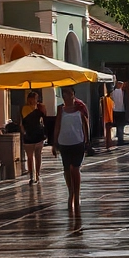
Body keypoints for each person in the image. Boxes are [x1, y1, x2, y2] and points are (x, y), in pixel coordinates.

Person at [52, 85, 91, 219]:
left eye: (68, 93)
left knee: (75, 169)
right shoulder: (60, 110)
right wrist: (54, 143)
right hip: (64, 143)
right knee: (67, 170)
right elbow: (57, 126)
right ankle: (71, 192)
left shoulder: (80, 109)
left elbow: (86, 125)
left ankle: (77, 193)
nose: (65, 96)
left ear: (73, 94)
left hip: (78, 142)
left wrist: (87, 141)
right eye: (63, 93)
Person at [20, 91, 48, 183]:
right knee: (30, 156)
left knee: (38, 155)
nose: (33, 101)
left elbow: (44, 117)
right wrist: (23, 132)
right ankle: (32, 174)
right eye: (31, 99)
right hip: (29, 134)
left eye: (35, 99)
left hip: (38, 133)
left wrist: (42, 108)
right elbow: (23, 121)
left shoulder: (39, 108)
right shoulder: (25, 108)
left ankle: (37, 174)